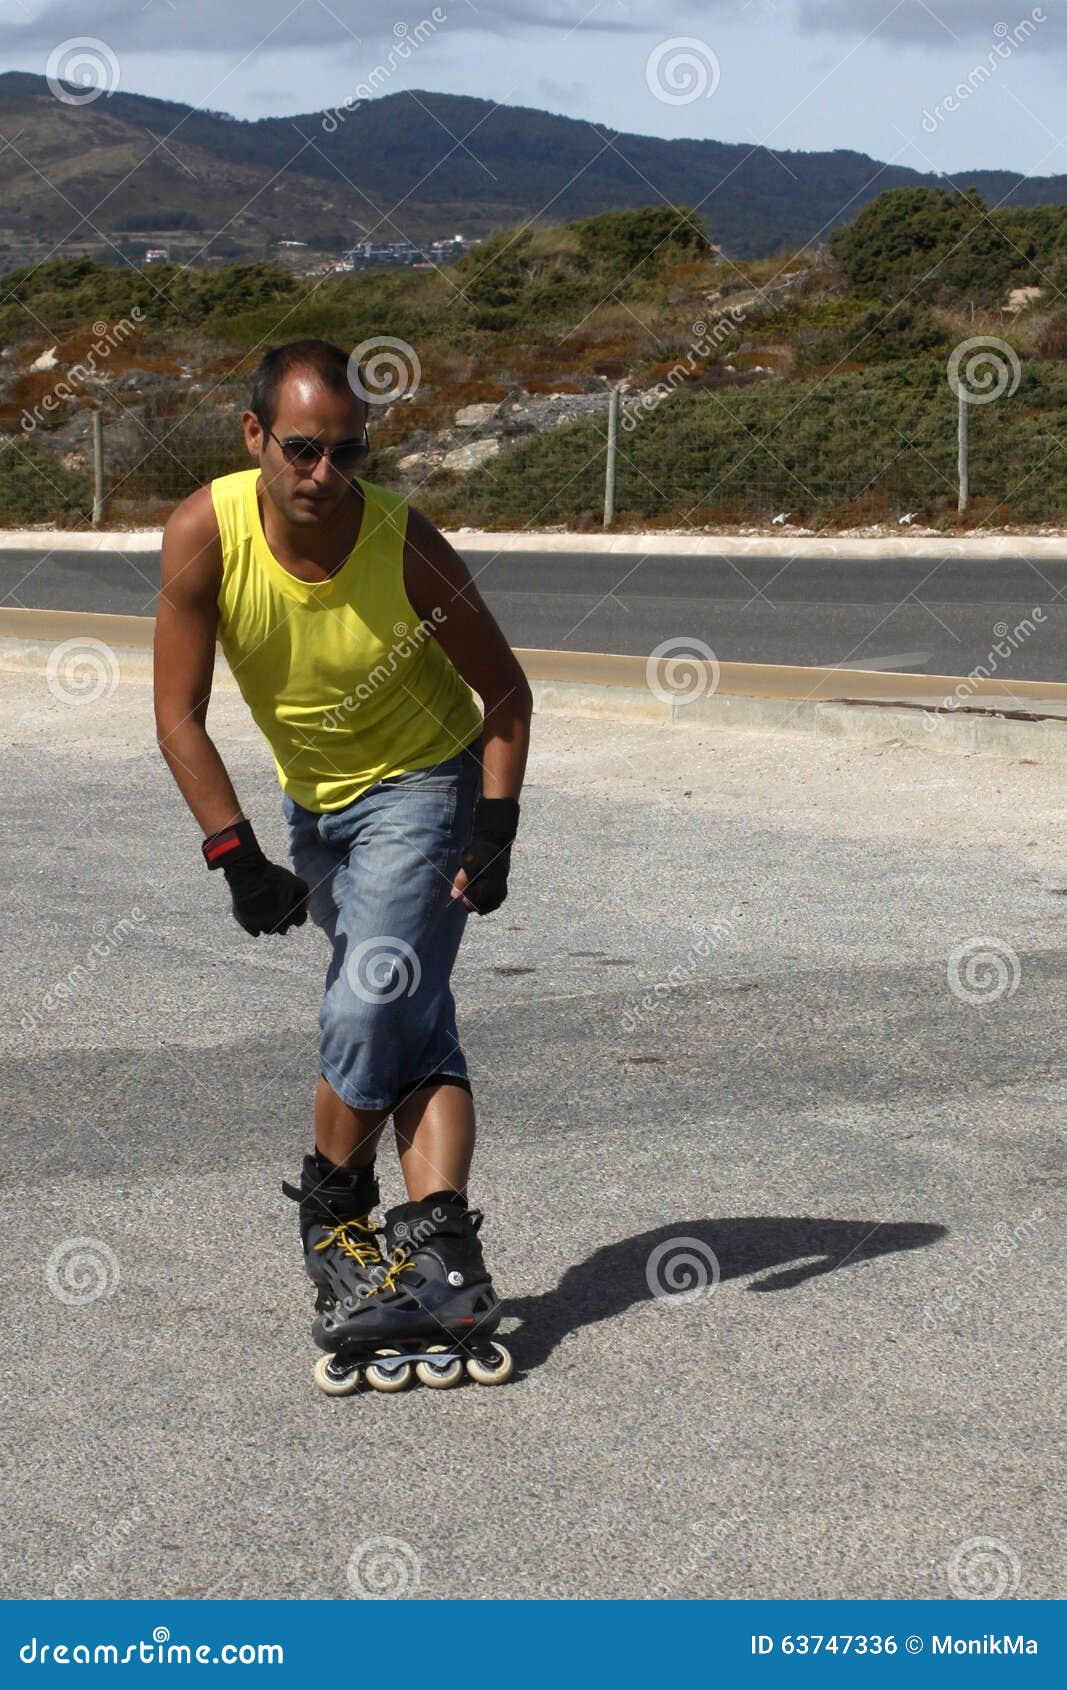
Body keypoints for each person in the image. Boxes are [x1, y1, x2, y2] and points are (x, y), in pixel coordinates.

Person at [153, 338, 532, 1389]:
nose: (325, 475)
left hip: (427, 786)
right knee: (410, 1016)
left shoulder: (403, 545)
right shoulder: (206, 531)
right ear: (254, 437)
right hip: (317, 812)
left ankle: (334, 1209)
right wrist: (237, 854)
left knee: (370, 998)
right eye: (304, 449)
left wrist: (492, 828)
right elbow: (177, 716)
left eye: (350, 455)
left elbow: (505, 695)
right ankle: (440, 1251)